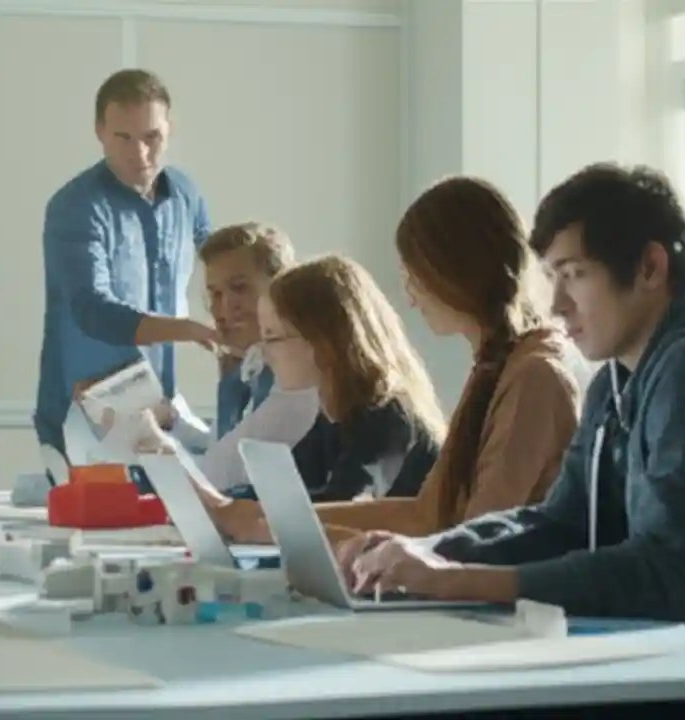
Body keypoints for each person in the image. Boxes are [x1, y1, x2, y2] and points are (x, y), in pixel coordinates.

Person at [346, 163, 685, 662]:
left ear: (650, 267)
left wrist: (456, 581)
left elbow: (662, 578)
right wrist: (432, 551)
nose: (557, 304)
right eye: (552, 277)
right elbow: (563, 521)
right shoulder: (620, 376)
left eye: (575, 275)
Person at [311, 177, 582, 538]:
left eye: (414, 278)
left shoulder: (533, 375)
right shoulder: (495, 364)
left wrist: (341, 542)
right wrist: (285, 526)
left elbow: (478, 534)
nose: (410, 298)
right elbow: (429, 512)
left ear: (452, 270)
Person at [35, 68, 219, 458]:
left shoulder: (186, 193)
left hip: (158, 412)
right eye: (124, 137)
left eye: (152, 137)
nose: (140, 153)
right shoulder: (76, 207)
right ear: (99, 131)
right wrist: (187, 329)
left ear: (169, 129)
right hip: (85, 419)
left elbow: (222, 264)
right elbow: (92, 309)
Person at [194, 255, 446, 538]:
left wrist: (248, 519)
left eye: (272, 338)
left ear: (323, 342)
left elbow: (343, 504)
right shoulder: (330, 414)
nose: (265, 354)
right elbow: (292, 491)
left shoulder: (389, 415)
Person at [200, 222, 295, 438]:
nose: (225, 307)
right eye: (215, 294)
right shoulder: (241, 370)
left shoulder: (297, 375)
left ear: (281, 286)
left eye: (239, 288)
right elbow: (219, 448)